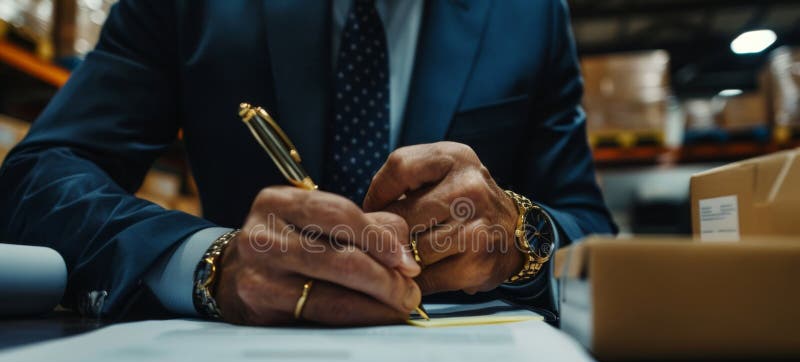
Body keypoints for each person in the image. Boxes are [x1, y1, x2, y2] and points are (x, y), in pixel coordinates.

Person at [0, 0, 616, 326]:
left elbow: (592, 228)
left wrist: (520, 239)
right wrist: (210, 263)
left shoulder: (530, 13)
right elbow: (40, 176)